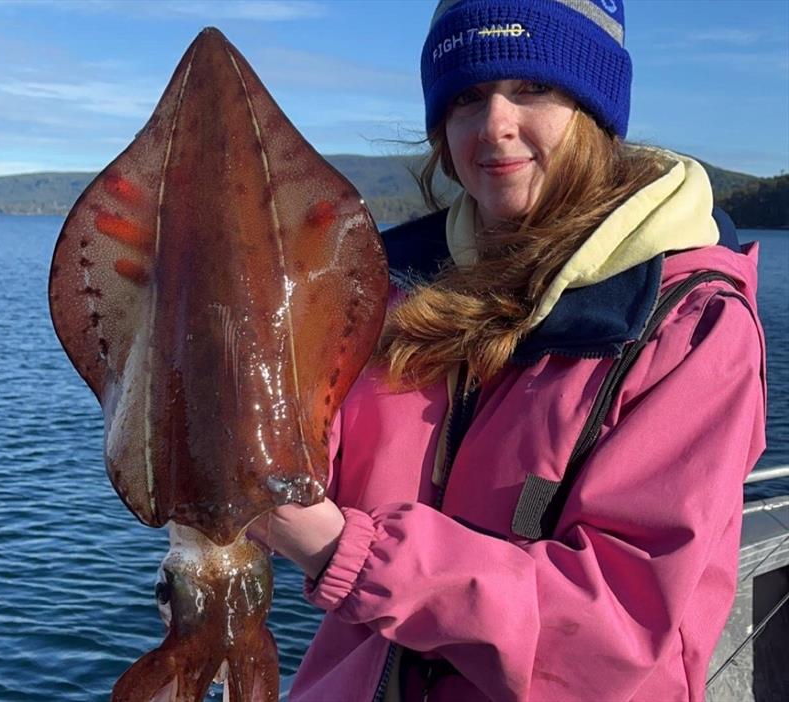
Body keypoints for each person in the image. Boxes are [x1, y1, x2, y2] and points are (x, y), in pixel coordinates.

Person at [248, 1, 767, 700]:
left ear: (595, 111)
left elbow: (617, 626)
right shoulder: (387, 287)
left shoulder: (690, 322)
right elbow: (307, 454)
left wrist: (343, 552)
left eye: (533, 88)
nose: (494, 123)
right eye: (467, 97)